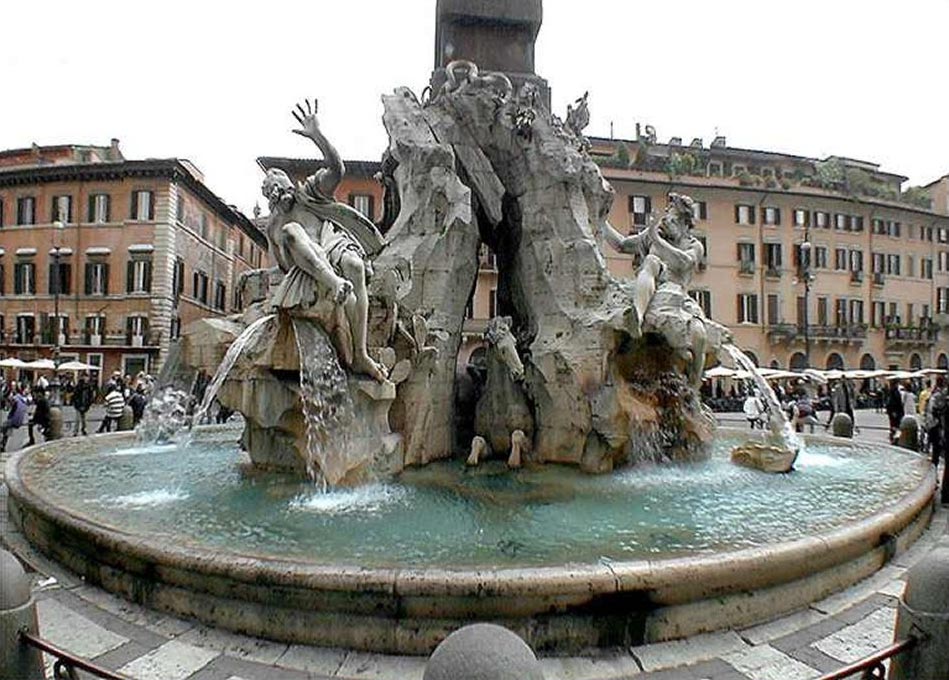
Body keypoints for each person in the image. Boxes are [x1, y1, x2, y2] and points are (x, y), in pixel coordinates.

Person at [262, 98, 387, 382]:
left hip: (332, 243)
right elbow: (282, 266)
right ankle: (335, 284)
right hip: (308, 263)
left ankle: (361, 355)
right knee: (292, 231)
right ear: (268, 200)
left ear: (289, 184)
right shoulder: (276, 225)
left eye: (280, 186)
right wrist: (282, 241)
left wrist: (317, 135)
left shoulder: (311, 192)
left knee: (355, 265)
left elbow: (337, 169)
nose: (278, 193)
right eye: (272, 192)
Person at [0, 387, 30, 451]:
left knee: (3, 427)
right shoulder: (24, 401)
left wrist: (10, 402)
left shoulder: (16, 398)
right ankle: (3, 444)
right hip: (18, 421)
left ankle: (2, 443)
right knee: (7, 429)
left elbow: (13, 402)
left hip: (14, 420)